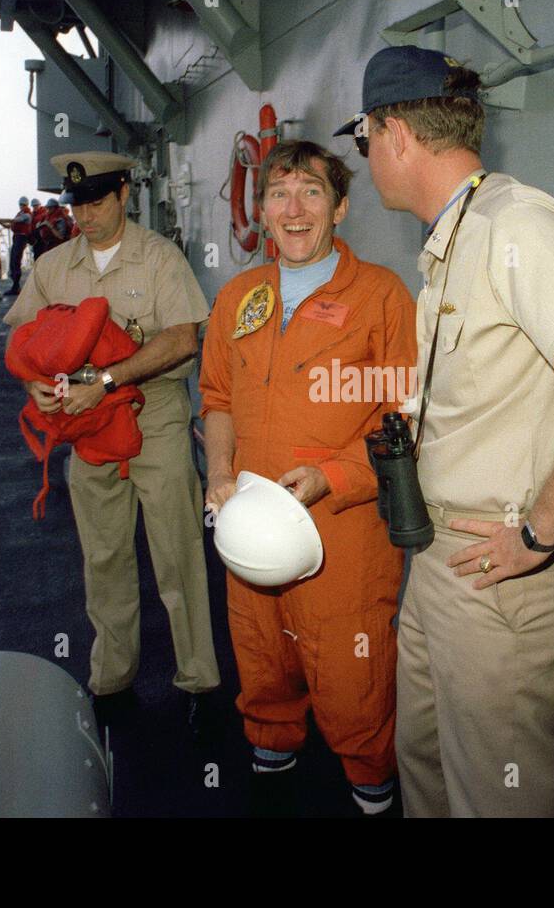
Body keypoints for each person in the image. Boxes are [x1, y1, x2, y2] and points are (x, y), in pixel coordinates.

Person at [335, 47, 554, 816]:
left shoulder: (513, 224)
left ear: (394, 136)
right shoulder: (458, 235)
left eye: (364, 140)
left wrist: (540, 531)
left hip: (499, 579)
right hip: (441, 561)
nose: (369, 158)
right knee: (428, 775)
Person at [199, 140, 417, 815]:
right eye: (278, 194)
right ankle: (272, 746)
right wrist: (216, 474)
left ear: (341, 207)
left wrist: (333, 475)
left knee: (353, 670)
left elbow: (403, 413)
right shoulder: (237, 297)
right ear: (261, 209)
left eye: (312, 192)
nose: (294, 210)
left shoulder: (381, 295)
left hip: (342, 528)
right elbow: (218, 399)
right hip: (249, 520)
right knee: (261, 652)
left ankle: (369, 776)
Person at [2, 151, 221, 731]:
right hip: (86, 426)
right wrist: (36, 389)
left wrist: (107, 380)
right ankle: (112, 678)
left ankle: (199, 678)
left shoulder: (158, 259)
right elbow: (25, 343)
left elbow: (181, 340)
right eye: (77, 205)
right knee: (103, 557)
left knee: (176, 553)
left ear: (124, 193)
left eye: (97, 202)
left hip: (154, 417)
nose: (86, 216)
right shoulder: (53, 266)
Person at [0, 196, 33, 294]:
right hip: (17, 239)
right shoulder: (22, 214)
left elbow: (13, 221)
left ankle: (16, 287)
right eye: (21, 205)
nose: (21, 206)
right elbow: (10, 225)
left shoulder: (27, 215)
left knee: (16, 262)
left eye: (22, 205)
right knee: (13, 262)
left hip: (21, 239)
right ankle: (15, 286)